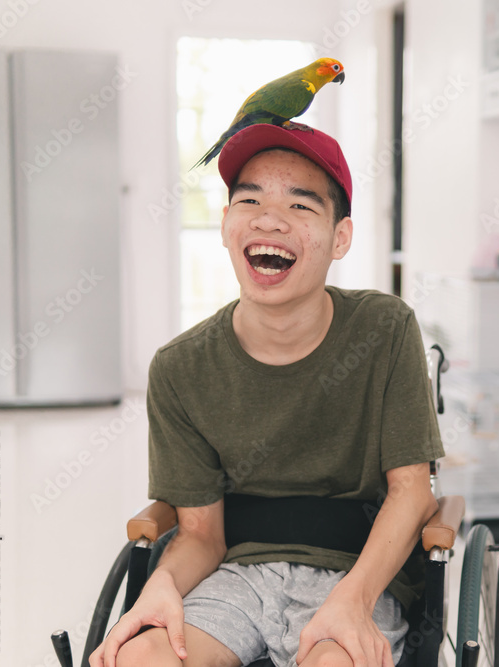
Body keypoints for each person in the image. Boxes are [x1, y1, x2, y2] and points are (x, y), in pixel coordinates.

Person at [91, 124, 445, 667]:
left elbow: (412, 494)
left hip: (361, 573)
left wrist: (351, 600)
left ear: (341, 237)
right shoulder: (180, 367)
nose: (268, 218)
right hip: (238, 576)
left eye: (301, 206)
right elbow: (202, 536)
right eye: (249, 199)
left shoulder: (385, 328)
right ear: (228, 225)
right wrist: (160, 583)